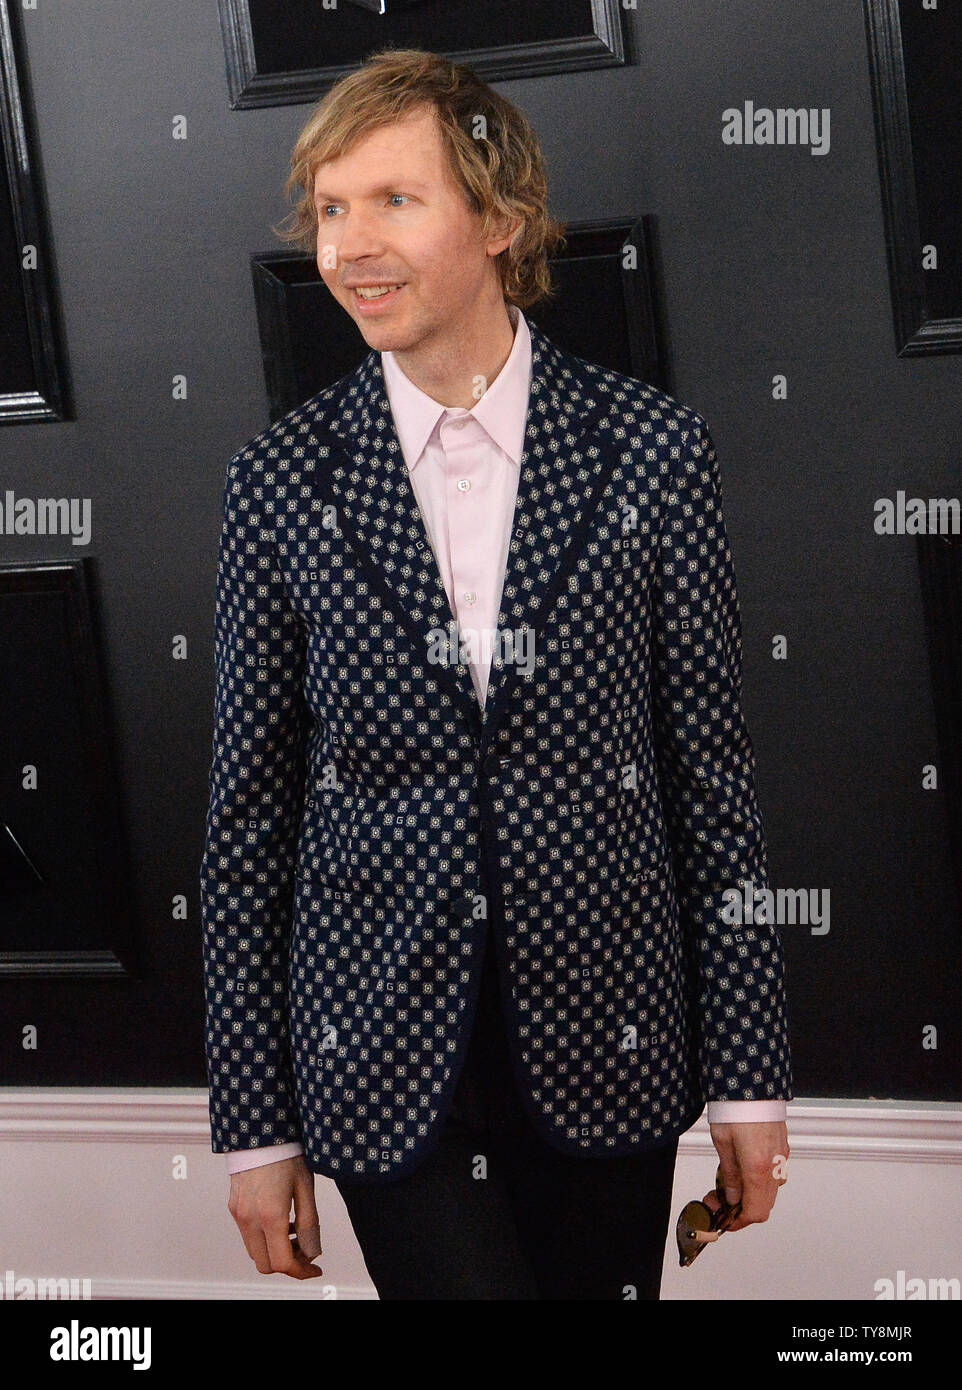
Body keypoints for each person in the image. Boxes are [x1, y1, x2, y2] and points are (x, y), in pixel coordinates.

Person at [200, 47, 792, 1300]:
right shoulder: (280, 481)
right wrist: (254, 1125)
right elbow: (246, 822)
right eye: (329, 207)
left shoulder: (649, 449)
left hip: (607, 1041)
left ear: (502, 217)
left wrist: (746, 1075)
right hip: (375, 1054)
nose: (349, 243)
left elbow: (712, 777)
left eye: (394, 200)